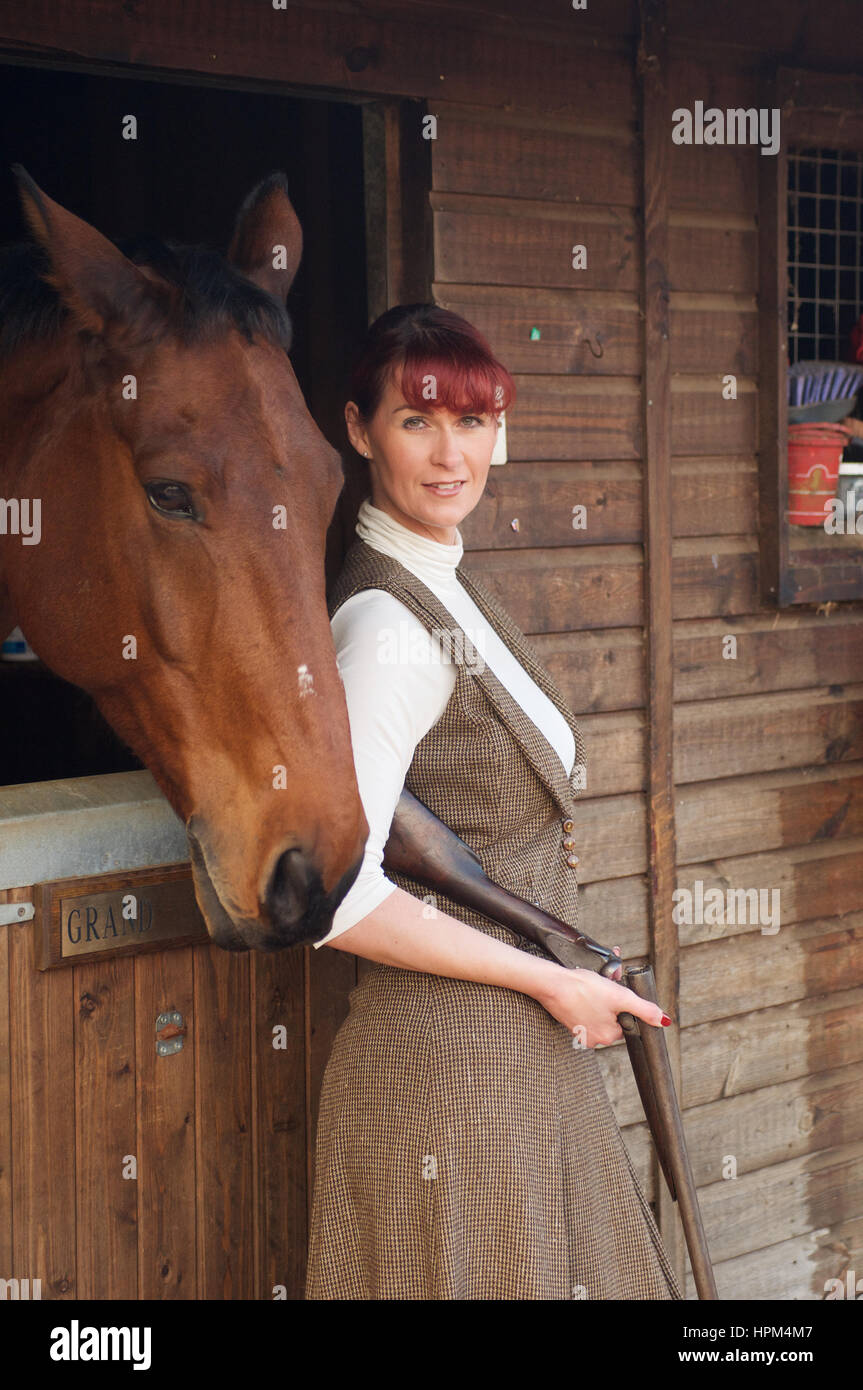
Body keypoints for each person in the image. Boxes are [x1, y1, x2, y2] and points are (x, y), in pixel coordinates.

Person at [304, 304, 683, 1301]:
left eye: (470, 423)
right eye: (415, 421)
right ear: (357, 428)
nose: (448, 454)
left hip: (517, 1053)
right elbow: (336, 897)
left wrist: (554, 980)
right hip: (443, 1074)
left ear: (500, 433)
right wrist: (551, 981)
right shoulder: (384, 623)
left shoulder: (453, 583)